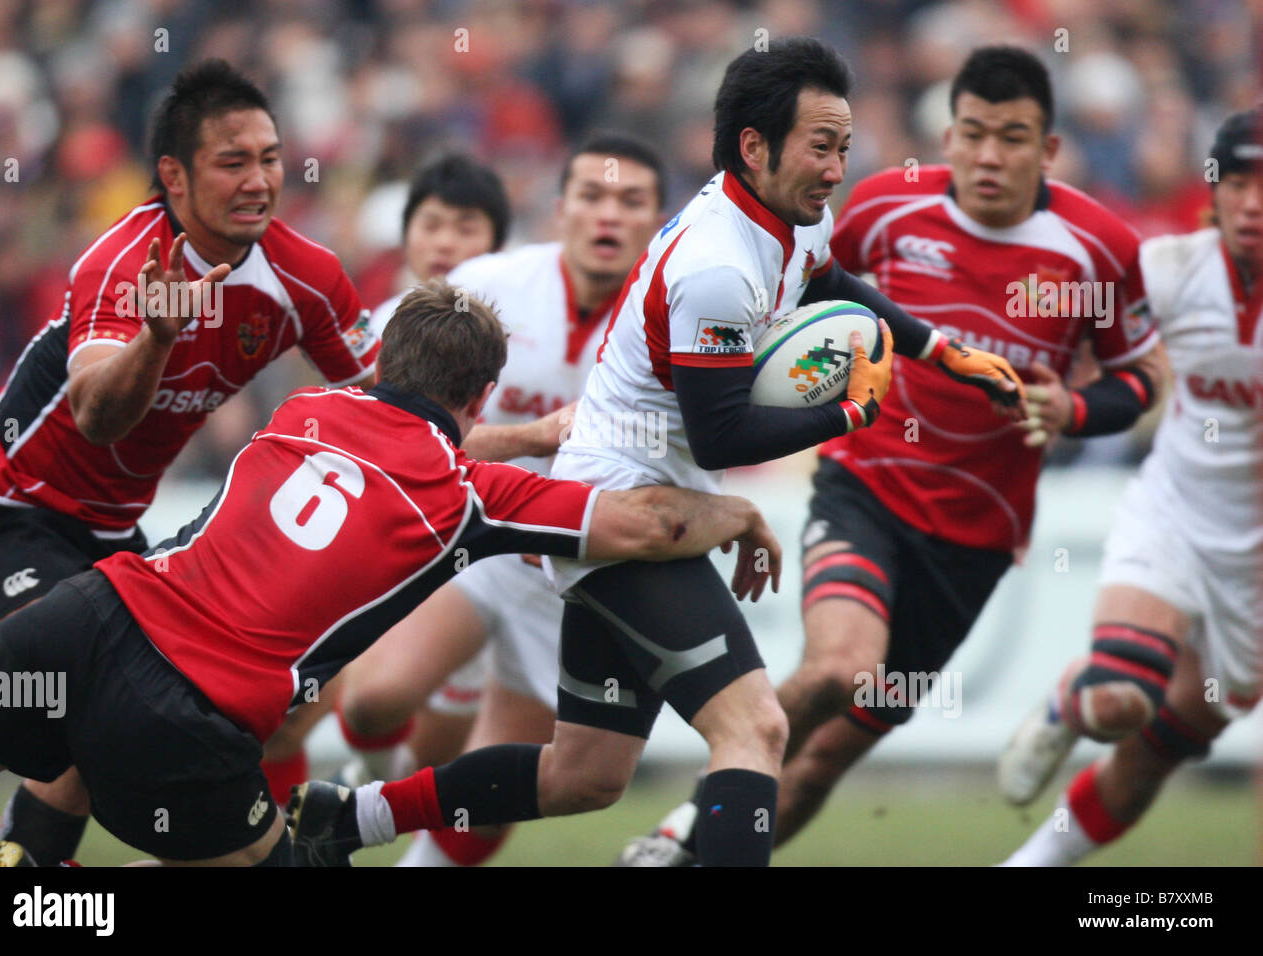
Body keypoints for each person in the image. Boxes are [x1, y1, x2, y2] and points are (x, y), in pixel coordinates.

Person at [288, 37, 1024, 868]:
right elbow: (724, 435)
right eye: (821, 146)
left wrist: (941, 354)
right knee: (756, 728)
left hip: (631, 505)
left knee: (585, 773)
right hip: (626, 512)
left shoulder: (779, 219)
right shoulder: (715, 265)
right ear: (755, 146)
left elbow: (831, 282)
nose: (836, 169)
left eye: (844, 148)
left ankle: (346, 820)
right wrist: (852, 410)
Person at [0, 279, 782, 867]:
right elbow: (648, 527)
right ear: (483, 395)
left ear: (383, 357)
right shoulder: (466, 494)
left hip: (89, 616)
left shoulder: (304, 410)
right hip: (188, 712)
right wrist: (738, 513)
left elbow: (390, 442)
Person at [618, 45, 1164, 866]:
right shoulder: (881, 209)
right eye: (973, 133)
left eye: (1012, 137)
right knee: (839, 666)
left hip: (977, 538)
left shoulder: (1099, 248)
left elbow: (1143, 375)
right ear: (947, 137)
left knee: (829, 757)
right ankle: (683, 831)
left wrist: (1075, 409)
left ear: (1049, 149)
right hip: (864, 490)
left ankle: (706, 853)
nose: (988, 155)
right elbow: (794, 289)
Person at [0, 59, 379, 866]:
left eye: (269, 157)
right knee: (66, 693)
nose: (259, 180)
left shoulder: (307, 276)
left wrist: (529, 447)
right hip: (8, 513)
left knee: (104, 709)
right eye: (234, 162)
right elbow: (97, 416)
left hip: (112, 536)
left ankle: (21, 868)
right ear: (174, 177)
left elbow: (393, 414)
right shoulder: (121, 264)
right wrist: (156, 338)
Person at [326, 132, 667, 868]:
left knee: (489, 809)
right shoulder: (491, 286)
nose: (609, 214)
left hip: (580, 582)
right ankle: (360, 796)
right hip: (485, 545)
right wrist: (533, 436)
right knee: (371, 699)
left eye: (631, 200)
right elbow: (390, 419)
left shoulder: (680, 321)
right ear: (561, 208)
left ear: (658, 220)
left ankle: (388, 833)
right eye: (594, 195)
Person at [997, 106, 1262, 866]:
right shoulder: (1175, 270)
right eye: (1238, 182)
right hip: (1175, 517)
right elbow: (1066, 311)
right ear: (1213, 190)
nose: (1252, 203)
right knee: (1117, 702)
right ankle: (1067, 707)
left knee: (1157, 752)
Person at [257, 151, 524, 806]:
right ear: (406, 234)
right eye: (431, 224)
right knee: (288, 721)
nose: (446, 242)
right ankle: (293, 842)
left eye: (467, 227)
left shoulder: (524, 334)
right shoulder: (370, 331)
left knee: (437, 765)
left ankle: (359, 794)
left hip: (483, 567)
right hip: (372, 554)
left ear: (498, 244)